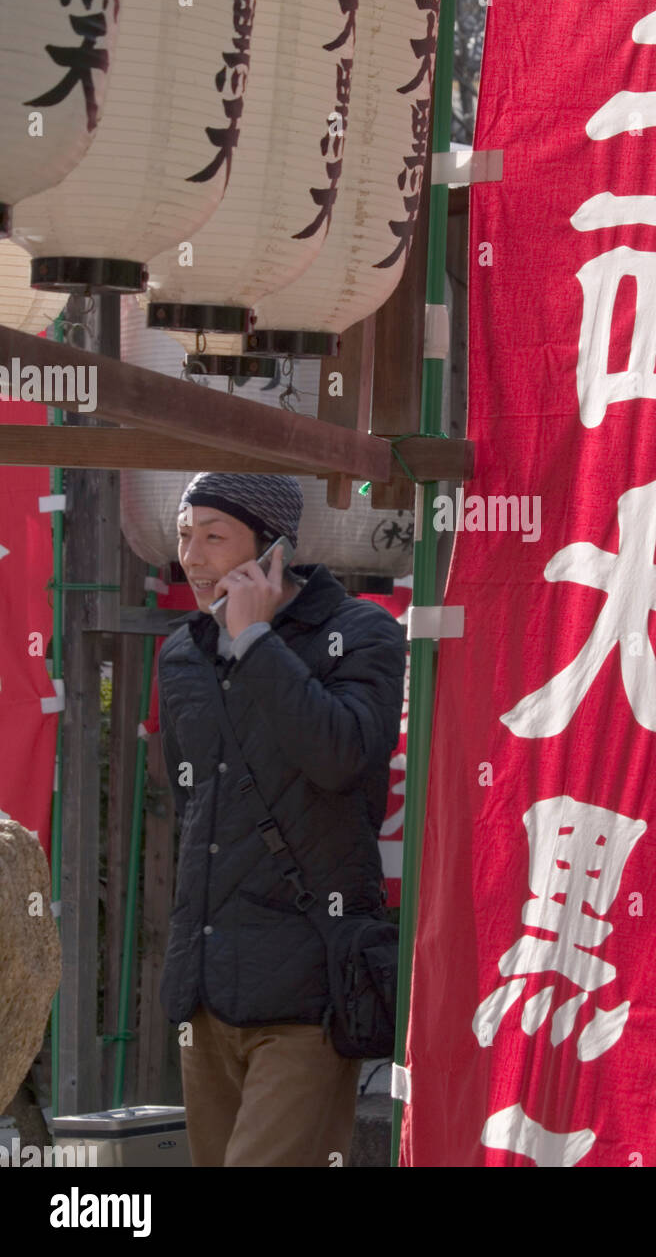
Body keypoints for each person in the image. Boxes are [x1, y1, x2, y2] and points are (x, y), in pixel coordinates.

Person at [156, 472, 407, 1167]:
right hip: (205, 980)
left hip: (310, 980)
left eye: (214, 536)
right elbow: (192, 804)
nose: (193, 556)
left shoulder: (361, 632)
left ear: (273, 550)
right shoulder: (182, 652)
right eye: (184, 534)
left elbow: (342, 758)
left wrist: (257, 641)